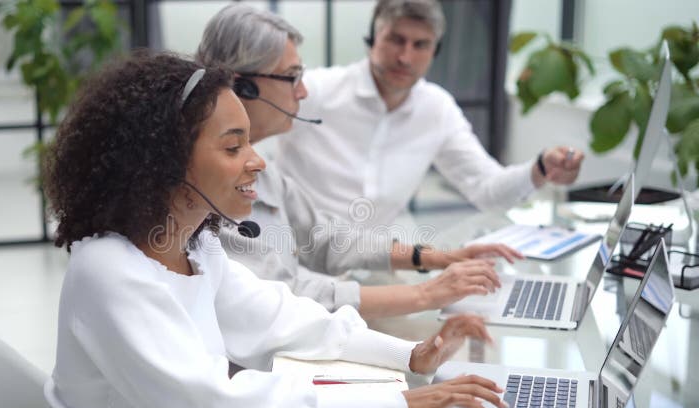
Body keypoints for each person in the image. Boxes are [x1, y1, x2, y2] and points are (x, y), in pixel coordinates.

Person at [32, 51, 507, 408]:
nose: (257, 161)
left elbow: (280, 319)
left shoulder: (197, 246)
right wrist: (401, 405)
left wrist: (408, 355)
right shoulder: (110, 272)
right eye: (234, 147)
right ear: (166, 160)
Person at [196, 4, 523, 318]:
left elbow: (326, 240)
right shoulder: (206, 179)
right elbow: (282, 296)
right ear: (244, 86)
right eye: (292, 77)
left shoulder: (261, 173)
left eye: (420, 44)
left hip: (325, 302)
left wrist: (440, 258)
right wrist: (425, 294)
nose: (303, 92)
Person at [275, 0, 586, 229]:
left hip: (373, 264)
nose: (405, 57)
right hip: (296, 257)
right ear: (373, 39)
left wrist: (540, 168)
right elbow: (246, 130)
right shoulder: (317, 90)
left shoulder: (437, 109)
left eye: (420, 45)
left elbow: (487, 189)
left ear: (435, 51)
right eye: (395, 40)